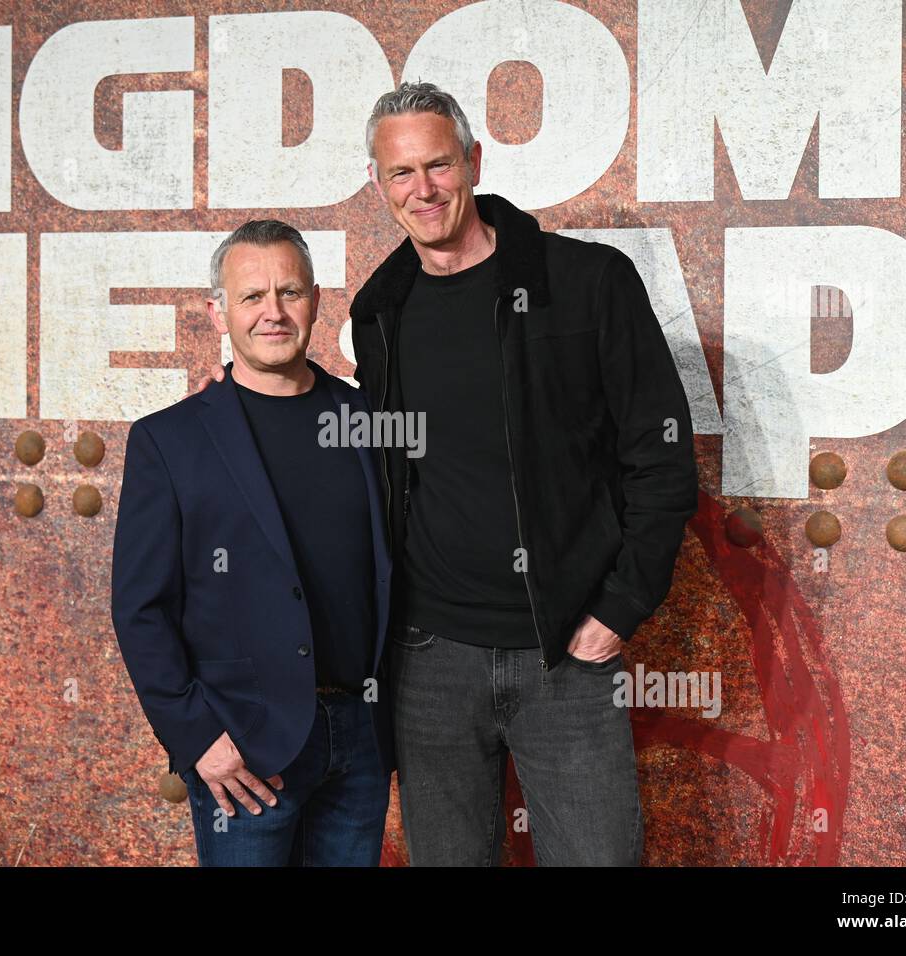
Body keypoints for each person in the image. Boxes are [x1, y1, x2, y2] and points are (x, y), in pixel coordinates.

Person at [199, 82, 698, 866]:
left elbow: (662, 457)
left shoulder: (587, 283)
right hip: (429, 661)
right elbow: (376, 456)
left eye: (438, 165)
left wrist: (619, 608)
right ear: (378, 184)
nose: (422, 190)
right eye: (401, 173)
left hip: (564, 652)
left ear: (472, 160)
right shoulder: (381, 309)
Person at [111, 219, 394, 866]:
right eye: (252, 297)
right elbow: (139, 607)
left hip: (362, 740)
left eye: (290, 293)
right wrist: (198, 737)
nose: (273, 312)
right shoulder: (169, 441)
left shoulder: (369, 422)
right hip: (243, 747)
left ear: (316, 302)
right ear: (218, 312)